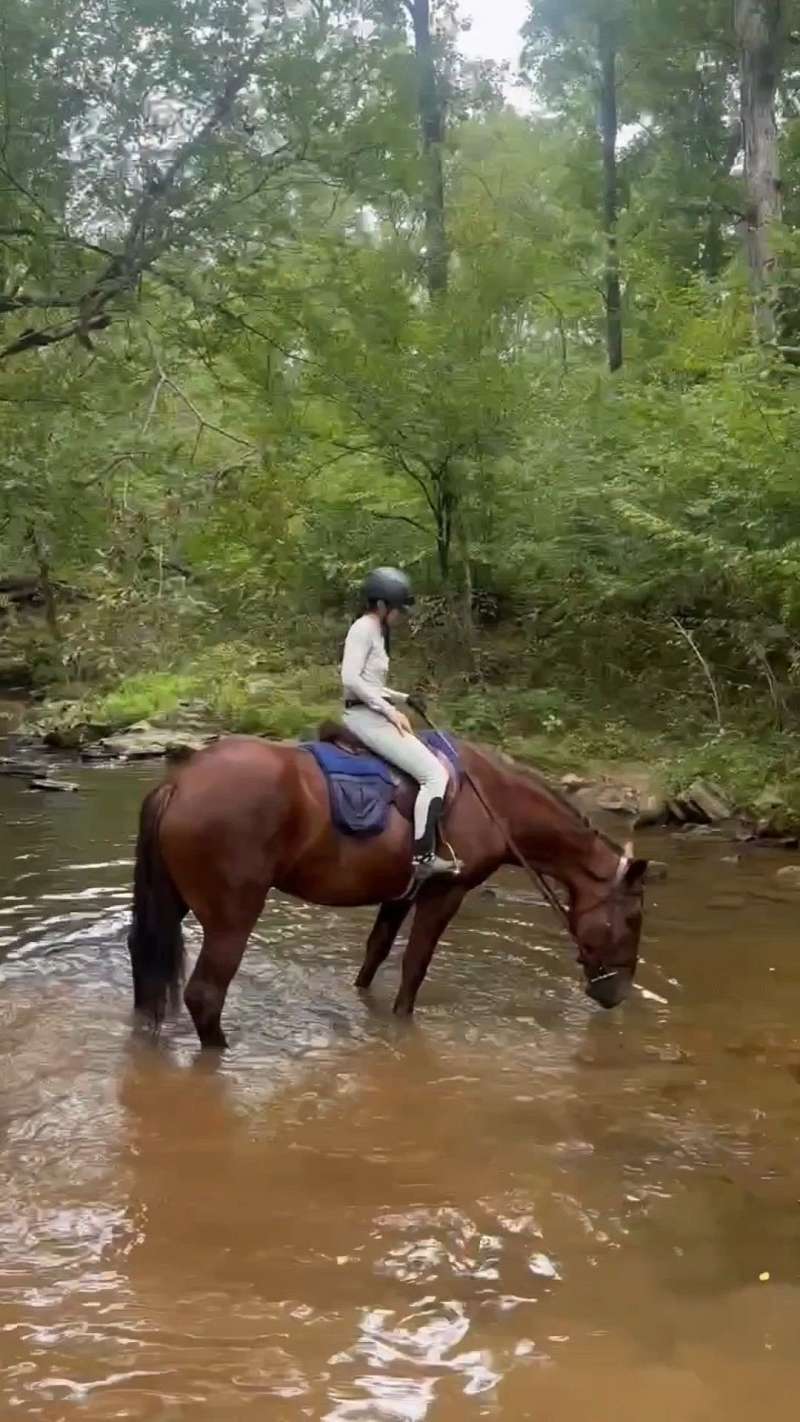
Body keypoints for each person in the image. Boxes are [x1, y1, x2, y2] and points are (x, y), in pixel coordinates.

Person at [341, 567, 460, 882]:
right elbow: (350, 679)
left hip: (372, 712)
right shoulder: (363, 629)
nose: (400, 617)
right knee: (435, 775)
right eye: (397, 609)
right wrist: (390, 711)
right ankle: (423, 858)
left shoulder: (376, 631)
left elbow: (371, 683)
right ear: (381, 605)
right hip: (366, 718)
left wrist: (403, 698)